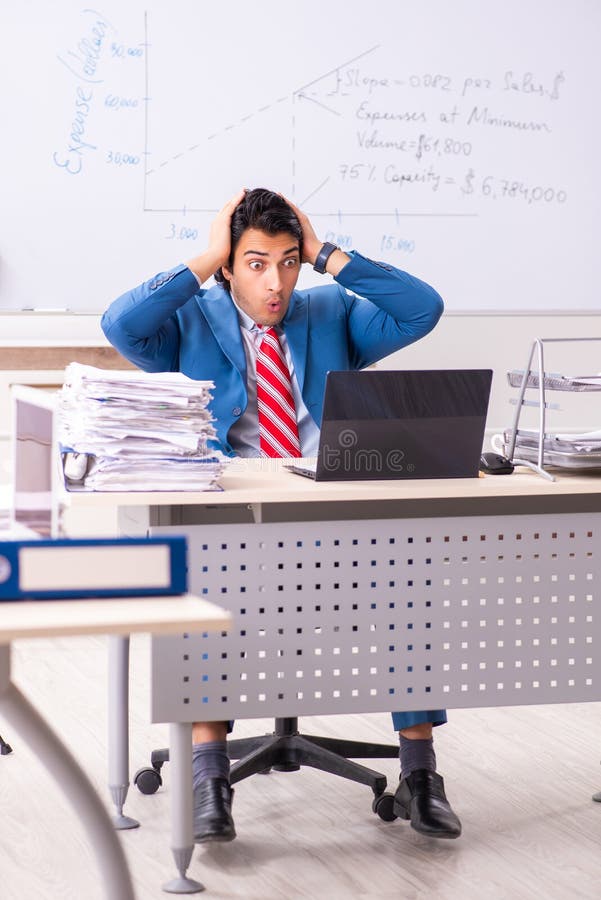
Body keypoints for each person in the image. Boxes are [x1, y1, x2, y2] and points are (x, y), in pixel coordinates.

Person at [102, 188, 461, 844]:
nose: (276, 282)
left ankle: (419, 775)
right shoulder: (188, 320)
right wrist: (206, 258)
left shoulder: (328, 311)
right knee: (201, 578)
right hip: (229, 513)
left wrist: (327, 254)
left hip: (330, 509)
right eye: (257, 263)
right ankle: (209, 776)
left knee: (408, 574)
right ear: (231, 266)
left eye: (288, 262)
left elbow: (422, 309)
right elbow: (120, 326)